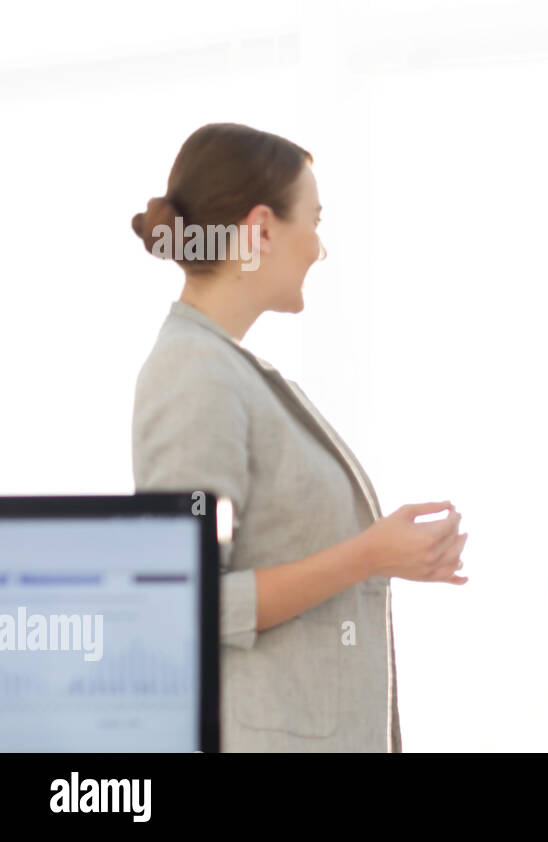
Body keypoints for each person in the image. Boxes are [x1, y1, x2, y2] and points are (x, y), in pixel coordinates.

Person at [131, 123, 468, 751]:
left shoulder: (233, 370)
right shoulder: (193, 371)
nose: (319, 247)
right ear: (261, 229)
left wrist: (383, 556)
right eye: (313, 220)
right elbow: (184, 602)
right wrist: (370, 555)